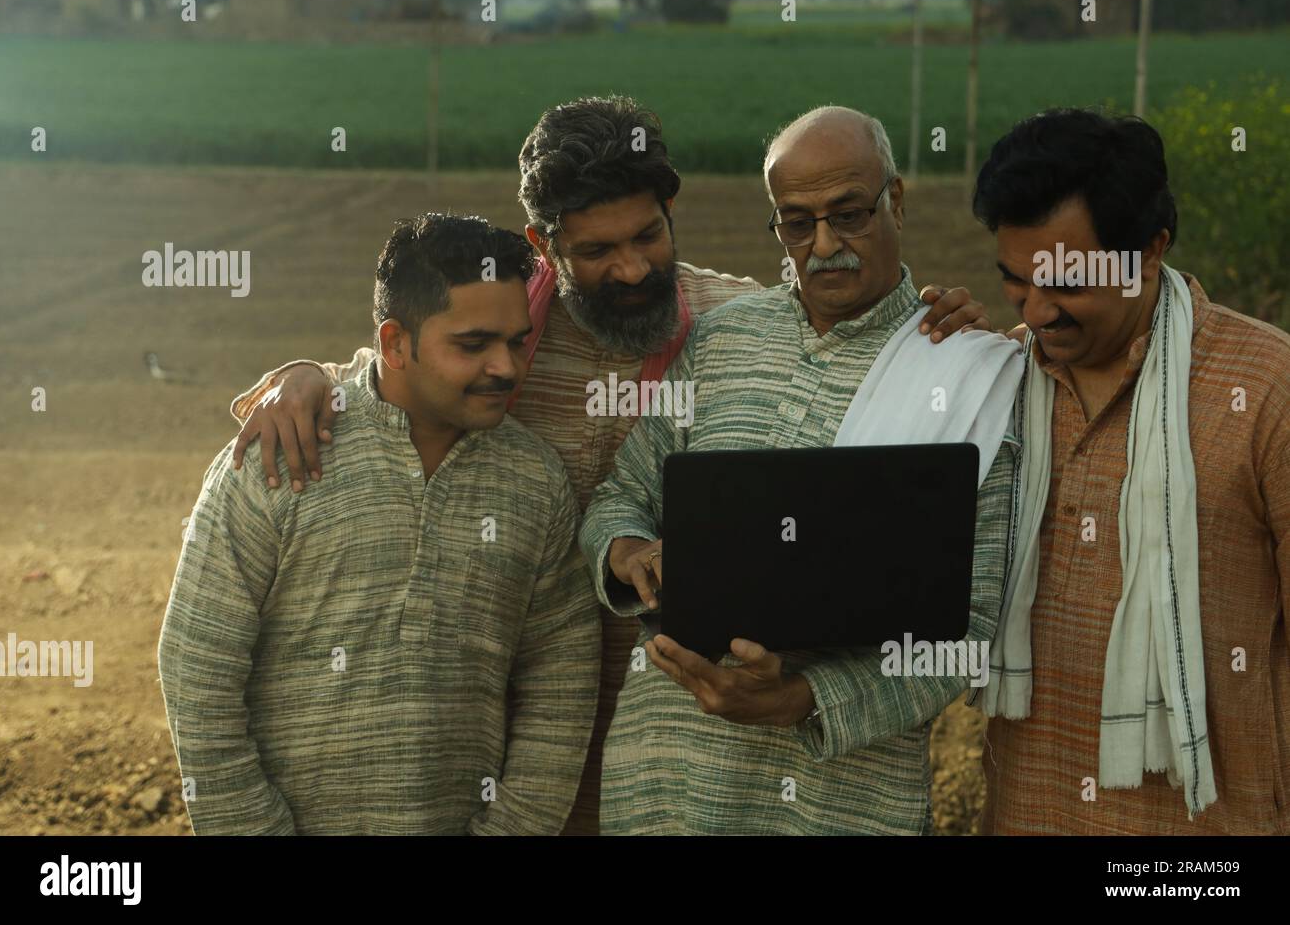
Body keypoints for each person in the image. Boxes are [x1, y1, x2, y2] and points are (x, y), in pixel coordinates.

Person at [221, 97, 989, 834]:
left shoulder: (725, 325)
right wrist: (309, 374)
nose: (630, 270)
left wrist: (946, 333)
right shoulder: (501, 337)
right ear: (540, 245)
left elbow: (847, 328)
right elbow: (405, 372)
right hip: (513, 741)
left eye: (646, 237)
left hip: (698, 741)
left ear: (672, 214)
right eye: (596, 251)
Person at [578, 106, 1023, 834]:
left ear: (897, 202)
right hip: (664, 783)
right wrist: (630, 552)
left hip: (841, 802)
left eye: (848, 214)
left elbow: (964, 633)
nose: (824, 245)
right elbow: (624, 491)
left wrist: (798, 698)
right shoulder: (723, 338)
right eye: (795, 222)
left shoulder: (968, 377)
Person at [158, 213, 600, 834]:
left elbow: (561, 684)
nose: (506, 367)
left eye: (516, 341)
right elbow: (196, 669)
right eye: (473, 345)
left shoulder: (537, 481)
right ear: (395, 343)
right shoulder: (278, 457)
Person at [977, 109, 1290, 834]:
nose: (1038, 310)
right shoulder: (992, 387)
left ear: (1149, 252)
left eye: (1066, 283)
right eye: (1016, 283)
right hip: (1029, 814)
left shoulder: (1266, 391)